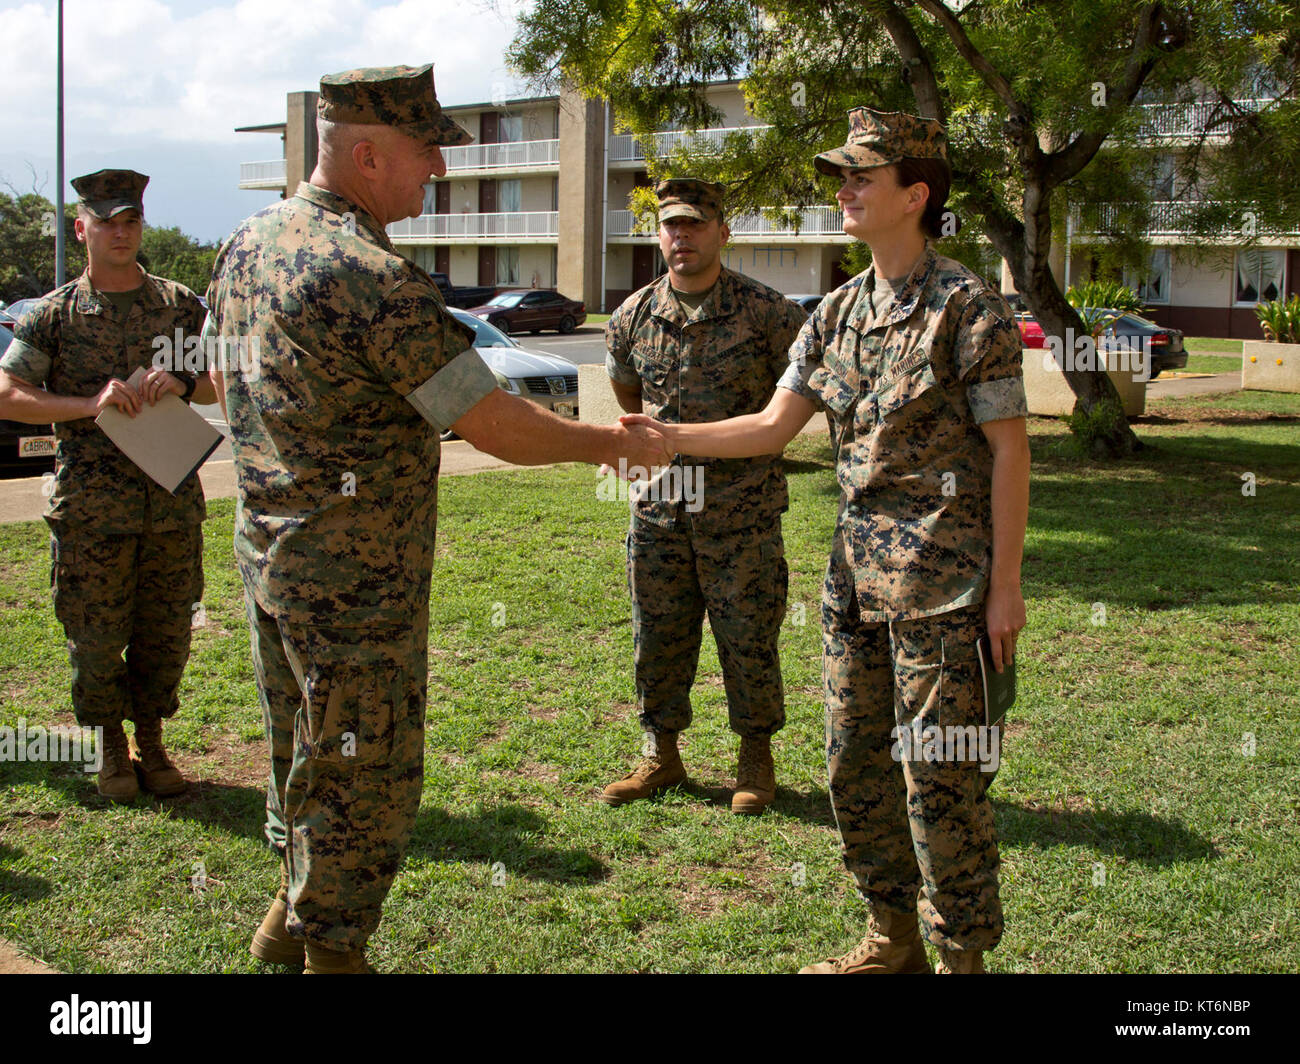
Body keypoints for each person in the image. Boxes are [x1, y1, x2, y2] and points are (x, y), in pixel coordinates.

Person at [205, 64, 671, 974]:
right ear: (368, 153)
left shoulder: (247, 244)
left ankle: (279, 935)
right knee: (362, 779)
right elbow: (490, 422)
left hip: (270, 560)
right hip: (354, 584)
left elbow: (227, 385)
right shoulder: (373, 277)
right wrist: (610, 445)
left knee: (304, 758)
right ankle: (334, 955)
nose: (439, 174)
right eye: (427, 153)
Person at [621, 108, 1030, 973]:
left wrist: (1005, 587)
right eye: (841, 175)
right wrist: (667, 438)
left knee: (941, 782)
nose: (843, 188)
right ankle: (892, 938)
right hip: (854, 587)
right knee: (853, 767)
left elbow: (1009, 450)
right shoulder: (837, 310)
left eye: (861, 176)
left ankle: (963, 959)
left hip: (944, 592)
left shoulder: (966, 305)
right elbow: (772, 426)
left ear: (915, 195)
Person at [0, 169, 215, 802]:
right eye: (107, 222)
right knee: (95, 639)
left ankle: (150, 740)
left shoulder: (179, 304)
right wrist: (85, 402)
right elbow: (9, 394)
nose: (121, 233)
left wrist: (180, 383)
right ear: (81, 228)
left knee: (166, 633)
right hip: (92, 507)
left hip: (171, 502)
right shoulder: (53, 314)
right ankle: (109, 749)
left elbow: (223, 380)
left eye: (131, 222)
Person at [601, 179, 806, 815]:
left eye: (694, 224)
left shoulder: (768, 313)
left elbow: (793, 403)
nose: (681, 237)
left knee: (748, 636)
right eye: (669, 226)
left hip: (742, 513)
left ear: (722, 230)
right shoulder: (633, 315)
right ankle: (661, 755)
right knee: (658, 634)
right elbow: (629, 400)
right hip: (661, 513)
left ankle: (755, 758)